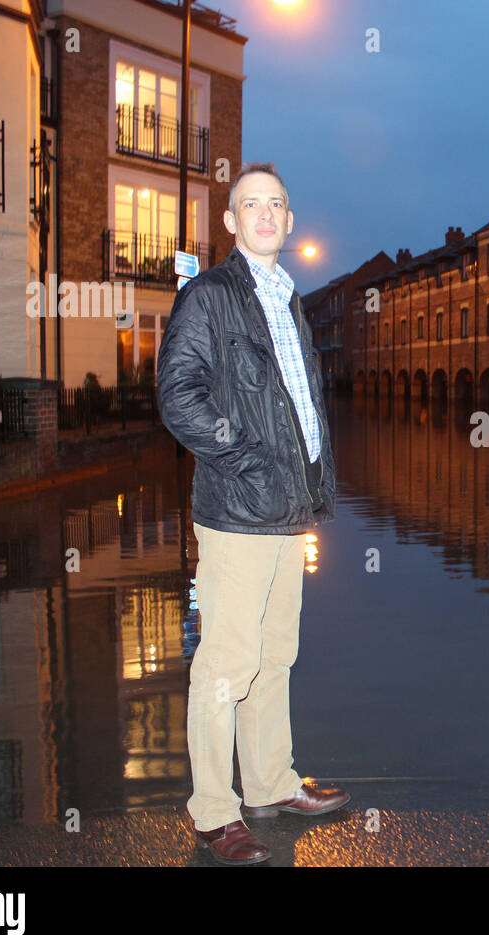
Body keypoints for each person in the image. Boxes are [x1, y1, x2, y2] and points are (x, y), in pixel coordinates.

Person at [156, 162, 348, 865]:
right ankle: (214, 811)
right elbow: (179, 396)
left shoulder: (288, 299)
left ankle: (270, 782)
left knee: (276, 655)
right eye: (250, 205)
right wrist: (247, 457)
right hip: (238, 510)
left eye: (277, 203)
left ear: (289, 222)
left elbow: (298, 407)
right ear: (230, 222)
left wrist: (302, 478)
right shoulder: (210, 296)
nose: (266, 214)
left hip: (286, 510)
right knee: (226, 663)